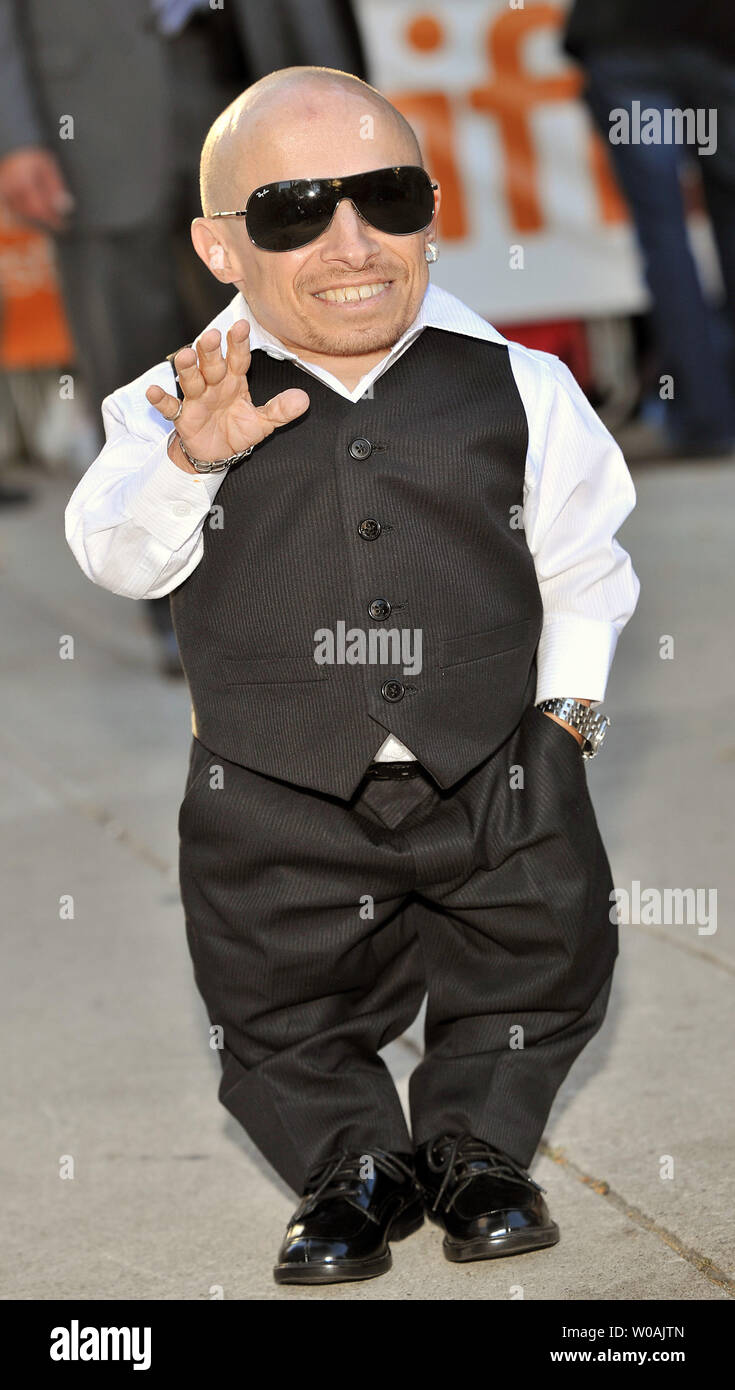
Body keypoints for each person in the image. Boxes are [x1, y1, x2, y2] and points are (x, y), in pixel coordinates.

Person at [65, 66, 640, 1286]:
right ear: (221, 247)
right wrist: (186, 460)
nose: (352, 242)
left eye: (388, 197)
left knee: (538, 959)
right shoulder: (171, 401)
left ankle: (481, 1147)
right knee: (277, 1002)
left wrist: (564, 728)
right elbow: (116, 557)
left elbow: (588, 567)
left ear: (433, 214)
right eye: (295, 210)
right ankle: (352, 1167)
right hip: (272, 784)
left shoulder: (519, 386)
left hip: (492, 761)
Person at [0, 0, 366, 670]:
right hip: (86, 114)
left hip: (243, 79)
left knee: (277, 350)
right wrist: (14, 136)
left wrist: (342, 101)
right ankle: (175, 601)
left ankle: (300, 581)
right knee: (132, 367)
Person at [563, 0, 735, 456]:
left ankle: (707, 417)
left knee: (664, 238)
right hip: (715, 41)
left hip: (626, 38)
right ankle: (705, 412)